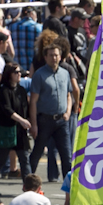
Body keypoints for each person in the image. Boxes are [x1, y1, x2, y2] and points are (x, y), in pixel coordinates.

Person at [29, 42, 73, 180]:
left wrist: (68, 112)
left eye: (56, 55)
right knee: (37, 152)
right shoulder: (39, 75)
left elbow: (68, 95)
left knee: (67, 155)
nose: (54, 58)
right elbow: (33, 101)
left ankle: (69, 185)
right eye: (51, 55)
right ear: (46, 57)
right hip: (45, 120)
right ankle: (29, 179)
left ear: (60, 57)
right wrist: (34, 124)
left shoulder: (65, 74)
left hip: (61, 120)